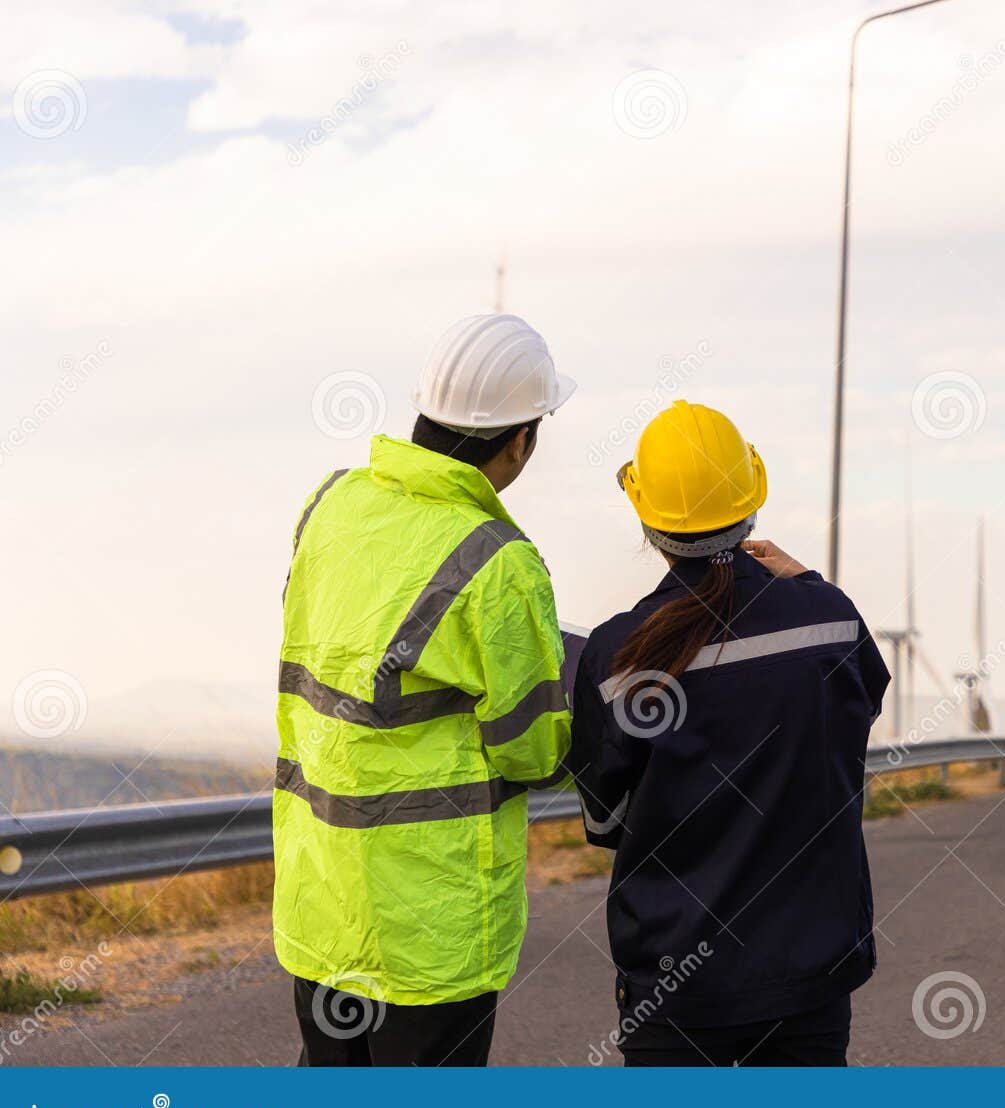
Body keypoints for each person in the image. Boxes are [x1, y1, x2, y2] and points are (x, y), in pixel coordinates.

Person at [275, 314, 577, 1066]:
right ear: (521, 439)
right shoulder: (500, 563)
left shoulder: (329, 505)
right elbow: (533, 752)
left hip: (322, 903)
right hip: (432, 937)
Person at [565, 400, 890, 1066]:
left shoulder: (616, 656)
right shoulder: (829, 619)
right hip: (811, 974)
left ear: (647, 519)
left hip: (676, 984)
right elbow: (861, 705)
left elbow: (605, 824)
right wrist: (807, 581)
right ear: (751, 504)